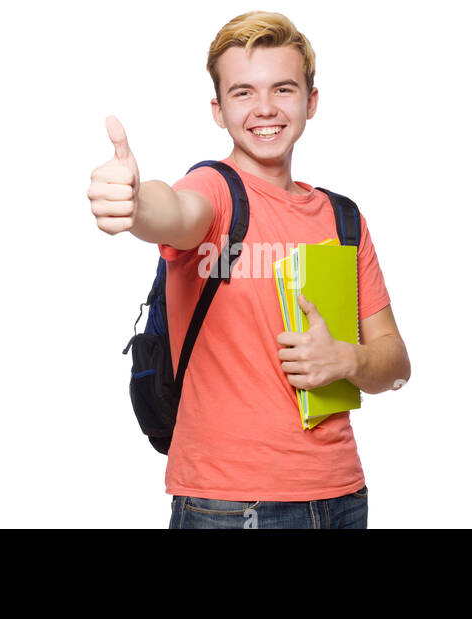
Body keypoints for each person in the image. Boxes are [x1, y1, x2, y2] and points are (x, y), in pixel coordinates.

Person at [87, 11, 410, 529]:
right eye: (242, 93)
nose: (265, 109)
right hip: (229, 505)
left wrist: (345, 359)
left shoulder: (343, 217)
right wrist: (134, 206)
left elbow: (394, 361)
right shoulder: (214, 190)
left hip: (342, 496)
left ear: (311, 100)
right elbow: (173, 212)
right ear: (218, 110)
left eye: (283, 89)